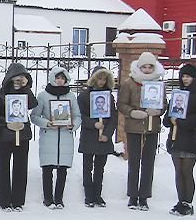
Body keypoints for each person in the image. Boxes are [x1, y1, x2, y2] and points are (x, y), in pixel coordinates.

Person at [117, 51, 166, 211]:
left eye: (149, 67)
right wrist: (132, 112)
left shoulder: (158, 83)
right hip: (134, 127)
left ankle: (144, 196)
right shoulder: (130, 83)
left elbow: (163, 103)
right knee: (134, 162)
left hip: (151, 128)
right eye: (143, 67)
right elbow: (122, 104)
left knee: (148, 162)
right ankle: (133, 195)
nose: (146, 70)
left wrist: (158, 110)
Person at [0, 63, 38, 212]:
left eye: (21, 79)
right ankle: (4, 201)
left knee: (21, 169)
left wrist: (26, 88)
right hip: (5, 137)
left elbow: (33, 104)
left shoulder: (25, 92)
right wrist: (6, 123)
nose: (18, 82)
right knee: (4, 169)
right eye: (16, 79)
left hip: (22, 136)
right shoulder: (0, 94)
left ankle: (18, 201)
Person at [32, 66, 81, 210]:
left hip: (65, 136)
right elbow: (34, 116)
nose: (59, 81)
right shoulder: (43, 96)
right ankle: (48, 198)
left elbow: (77, 116)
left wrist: (73, 125)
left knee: (62, 169)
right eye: (57, 78)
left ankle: (59, 198)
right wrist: (46, 123)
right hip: (49, 137)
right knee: (47, 169)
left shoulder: (70, 96)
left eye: (62, 78)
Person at [163, 64, 196, 216]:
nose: (185, 79)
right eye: (183, 76)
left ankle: (188, 202)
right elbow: (167, 119)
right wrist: (171, 119)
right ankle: (181, 201)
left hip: (190, 140)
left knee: (187, 171)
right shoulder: (178, 96)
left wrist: (181, 121)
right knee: (178, 171)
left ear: (195, 78)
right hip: (176, 138)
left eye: (188, 76)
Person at [77, 66, 118, 208]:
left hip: (103, 138)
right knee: (87, 167)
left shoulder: (109, 96)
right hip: (89, 136)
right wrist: (93, 124)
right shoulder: (83, 96)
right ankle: (88, 195)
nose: (101, 82)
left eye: (104, 79)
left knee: (100, 167)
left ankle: (97, 195)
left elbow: (113, 117)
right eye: (99, 78)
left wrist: (107, 134)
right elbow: (79, 115)